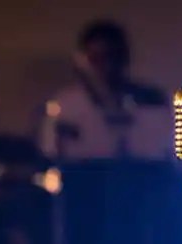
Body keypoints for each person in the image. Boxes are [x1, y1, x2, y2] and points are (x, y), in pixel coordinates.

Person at [40, 20, 170, 162]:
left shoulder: (153, 102)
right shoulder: (65, 107)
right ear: (82, 61)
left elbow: (166, 153)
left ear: (124, 57)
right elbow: (51, 155)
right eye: (96, 59)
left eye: (112, 57)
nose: (106, 66)